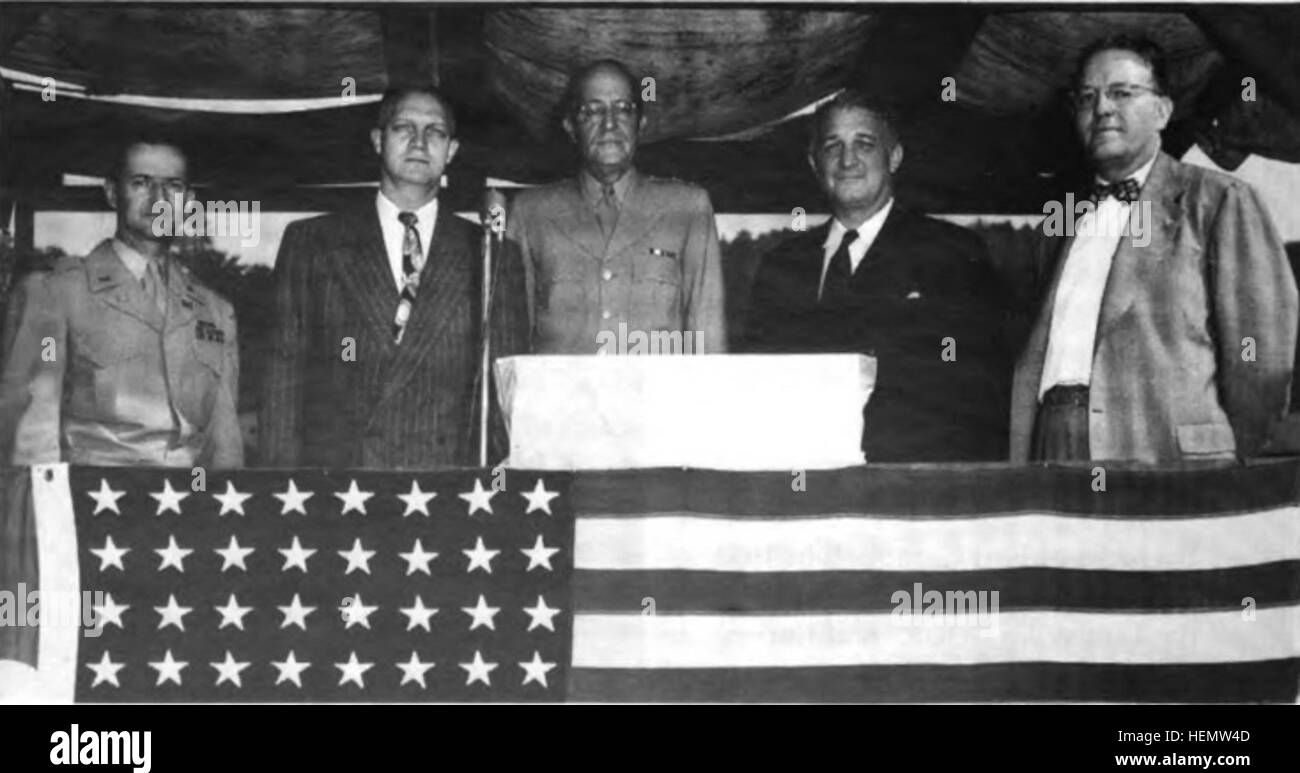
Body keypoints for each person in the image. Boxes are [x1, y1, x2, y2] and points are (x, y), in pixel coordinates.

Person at [1011, 35, 1298, 463]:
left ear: (1163, 111)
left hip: (1167, 455)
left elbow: (1260, 354)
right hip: (1053, 443)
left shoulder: (1220, 199)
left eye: (1122, 93)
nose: (1102, 108)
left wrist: (1224, 457)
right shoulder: (1063, 216)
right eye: (1088, 98)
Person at [260, 85, 529, 469]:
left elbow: (507, 396)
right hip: (339, 490)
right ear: (377, 140)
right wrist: (283, 495)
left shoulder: (493, 254)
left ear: (451, 150)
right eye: (404, 127)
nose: (419, 142)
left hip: (450, 493)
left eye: (435, 131)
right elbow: (282, 388)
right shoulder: (313, 243)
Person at [742, 91, 1012, 462]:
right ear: (813, 163)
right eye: (832, 146)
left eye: (864, 144)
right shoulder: (780, 265)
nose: (847, 160)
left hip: (910, 488)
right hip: (802, 482)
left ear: (894, 157)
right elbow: (758, 388)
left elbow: (983, 395)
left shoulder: (952, 253)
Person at [0, 136, 242, 467]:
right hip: (92, 506)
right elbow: (29, 439)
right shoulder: (56, 294)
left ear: (188, 201)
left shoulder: (215, 312)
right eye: (141, 183)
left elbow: (224, 446)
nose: (159, 199)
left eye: (172, 186)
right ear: (113, 193)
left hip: (188, 510)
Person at [507, 59, 726, 355]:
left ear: (641, 124)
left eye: (623, 109)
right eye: (593, 110)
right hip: (561, 400)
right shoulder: (531, 212)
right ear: (571, 127)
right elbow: (511, 341)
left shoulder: (688, 207)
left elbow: (708, 341)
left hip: (654, 399)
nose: (609, 123)